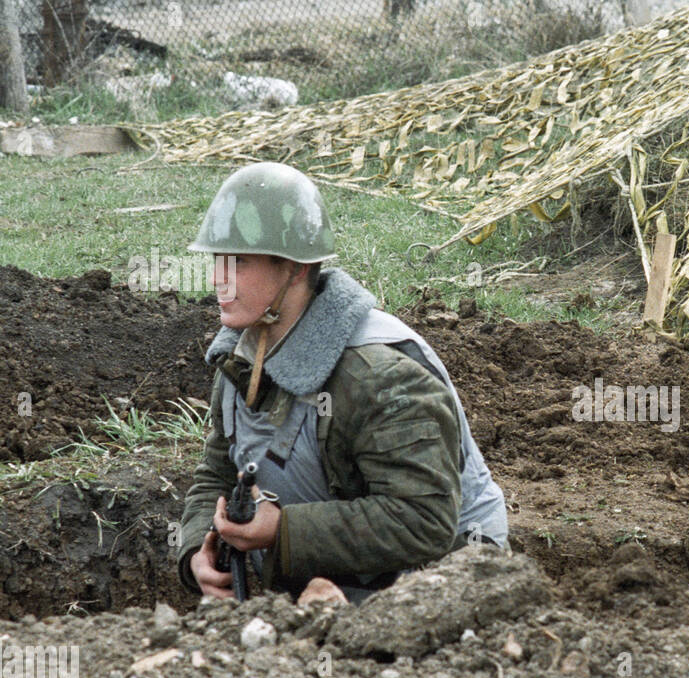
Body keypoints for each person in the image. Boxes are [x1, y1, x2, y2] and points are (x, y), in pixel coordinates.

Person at [176, 161, 507, 602]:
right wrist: (198, 548)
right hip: (329, 593)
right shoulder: (242, 353)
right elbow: (218, 470)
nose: (218, 279)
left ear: (295, 268)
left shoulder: (380, 375)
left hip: (437, 596)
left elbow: (424, 519)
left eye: (238, 262)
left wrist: (283, 532)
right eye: (217, 260)